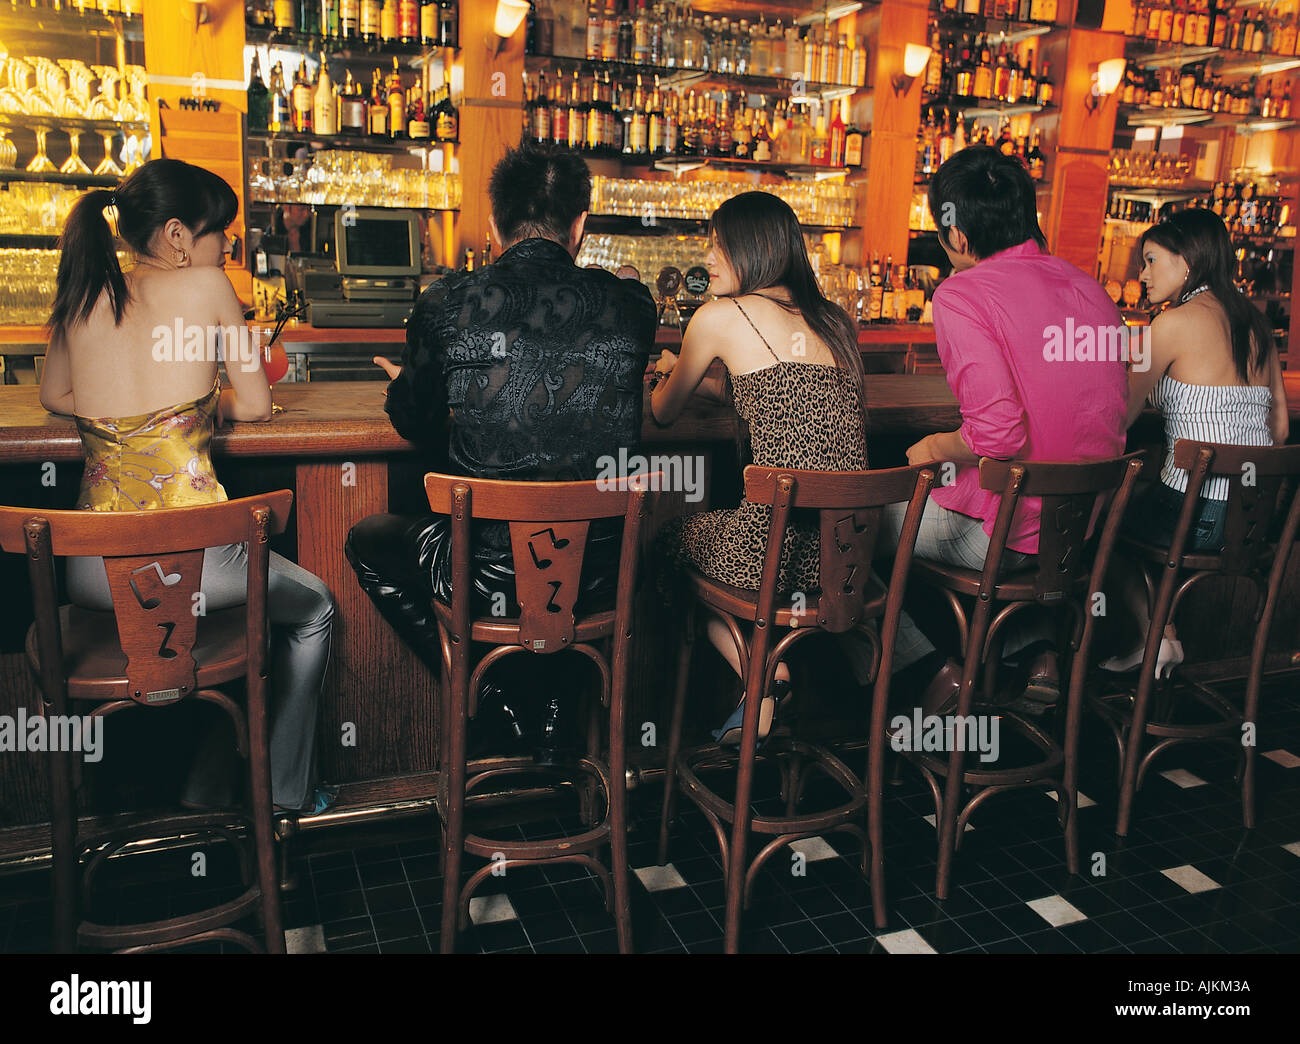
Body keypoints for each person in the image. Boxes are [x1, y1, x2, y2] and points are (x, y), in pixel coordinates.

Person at [40, 158, 337, 816]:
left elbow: (53, 393)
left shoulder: (87, 286)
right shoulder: (207, 286)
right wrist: (197, 407)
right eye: (219, 231)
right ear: (178, 235)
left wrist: (129, 407)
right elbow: (257, 404)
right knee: (314, 606)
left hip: (91, 576)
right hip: (196, 570)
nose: (228, 244)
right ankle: (283, 792)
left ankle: (171, 786)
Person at [345, 143, 657, 757]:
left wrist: (419, 388)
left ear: (491, 226)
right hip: (601, 579)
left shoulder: (445, 302)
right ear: (581, 226)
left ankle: (488, 702)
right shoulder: (632, 306)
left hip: (483, 578)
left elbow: (415, 421)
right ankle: (550, 717)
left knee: (366, 542)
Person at [890, 145, 1129, 715]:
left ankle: (929, 670)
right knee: (1003, 532)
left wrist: (933, 446)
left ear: (960, 239)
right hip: (1076, 536)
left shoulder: (960, 294)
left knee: (845, 523)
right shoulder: (1090, 289)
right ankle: (1037, 649)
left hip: (1007, 533)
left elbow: (997, 433)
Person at [649, 190, 868, 744]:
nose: (710, 258)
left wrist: (673, 372)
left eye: (719, 245)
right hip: (847, 561)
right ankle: (793, 680)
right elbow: (783, 394)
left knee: (664, 546)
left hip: (769, 556)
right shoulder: (836, 321)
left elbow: (663, 413)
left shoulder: (719, 315)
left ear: (751, 250)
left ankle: (763, 675)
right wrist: (712, 381)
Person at [1100, 208, 1287, 675]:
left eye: (1150, 260)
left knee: (1099, 525)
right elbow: (1280, 430)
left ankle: (1156, 636)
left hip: (1195, 516)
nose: (1141, 274)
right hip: (1253, 521)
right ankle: (1163, 639)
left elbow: (1121, 416)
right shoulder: (1257, 323)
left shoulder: (1173, 323)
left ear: (1186, 261)